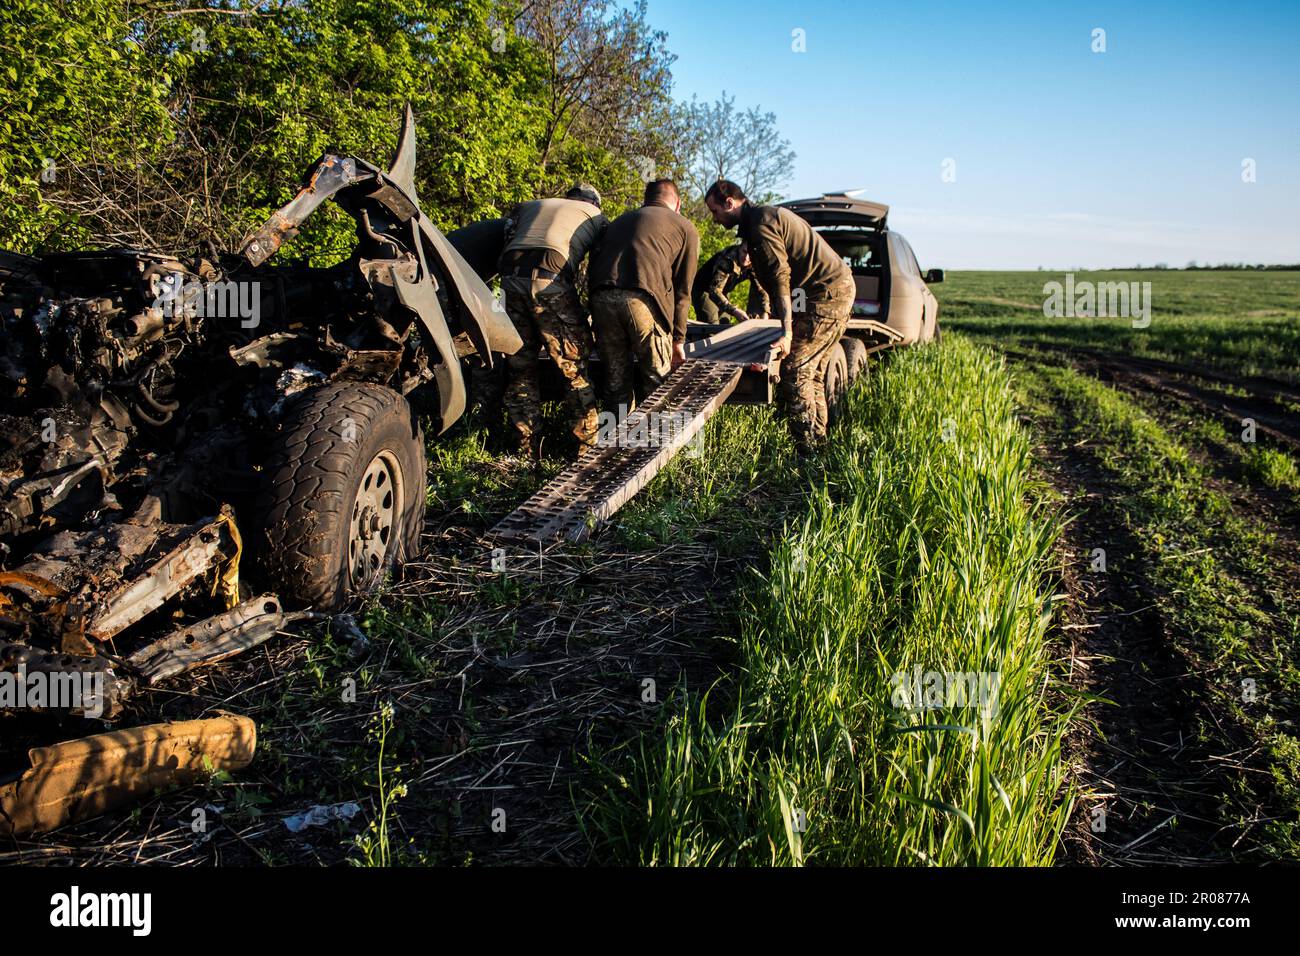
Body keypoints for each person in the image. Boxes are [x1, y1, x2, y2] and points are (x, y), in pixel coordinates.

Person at [704, 179, 854, 455]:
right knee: (813, 374)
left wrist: (785, 333)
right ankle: (819, 449)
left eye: (715, 212)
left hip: (826, 296)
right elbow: (770, 286)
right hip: (825, 294)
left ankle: (807, 453)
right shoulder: (757, 224)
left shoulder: (761, 222)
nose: (715, 220)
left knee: (794, 371)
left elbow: (779, 278)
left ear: (730, 203)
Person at [497, 184, 607, 455]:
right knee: (574, 368)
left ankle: (525, 447)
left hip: (509, 279)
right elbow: (600, 269)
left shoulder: (531, 205)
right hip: (550, 280)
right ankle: (586, 448)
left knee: (520, 366)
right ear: (595, 203)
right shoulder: (595, 216)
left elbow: (506, 238)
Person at [588, 179, 699, 416]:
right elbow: (683, 290)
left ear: (646, 200)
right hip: (641, 300)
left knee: (615, 383)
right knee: (657, 383)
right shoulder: (685, 226)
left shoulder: (620, 221)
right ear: (677, 203)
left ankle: (613, 445)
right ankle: (656, 447)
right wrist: (678, 339)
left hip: (601, 297)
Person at [691, 242, 769, 324]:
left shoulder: (754, 262)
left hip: (723, 291)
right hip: (704, 289)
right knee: (712, 326)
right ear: (739, 248)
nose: (746, 257)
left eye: (750, 254)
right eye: (744, 252)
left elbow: (761, 290)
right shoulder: (727, 260)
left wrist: (765, 312)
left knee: (725, 325)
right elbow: (714, 290)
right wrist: (734, 310)